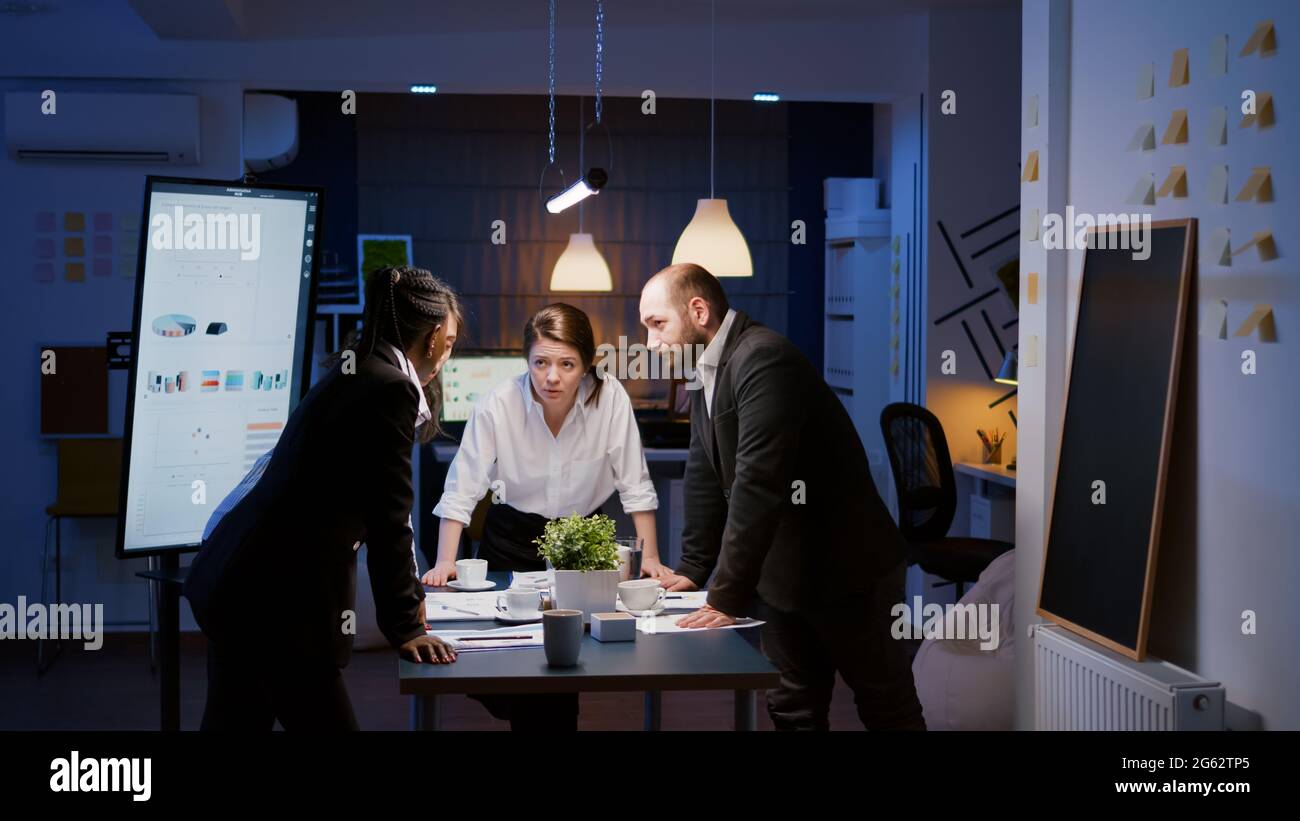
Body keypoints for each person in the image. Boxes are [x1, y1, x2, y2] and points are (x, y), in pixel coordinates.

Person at [638, 263, 926, 731]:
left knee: (884, 704)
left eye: (657, 324)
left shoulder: (763, 358)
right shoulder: (705, 367)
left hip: (849, 569)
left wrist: (726, 596)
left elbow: (758, 483)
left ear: (699, 310)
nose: (650, 343)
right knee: (793, 708)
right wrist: (694, 568)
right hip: (785, 573)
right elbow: (705, 474)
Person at [184, 266, 462, 730]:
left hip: (245, 588)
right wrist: (407, 625)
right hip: (279, 607)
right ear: (432, 338)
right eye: (450, 342)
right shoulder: (390, 387)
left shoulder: (359, 368)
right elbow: (390, 516)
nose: (447, 356)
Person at [424, 302, 662, 730]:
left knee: (557, 671)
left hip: (584, 541)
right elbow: (462, 488)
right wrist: (445, 562)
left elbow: (635, 483)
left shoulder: (610, 399)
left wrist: (651, 558)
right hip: (512, 538)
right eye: (540, 363)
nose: (552, 377)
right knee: (507, 663)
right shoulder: (498, 402)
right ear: (527, 361)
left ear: (588, 363)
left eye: (567, 364)